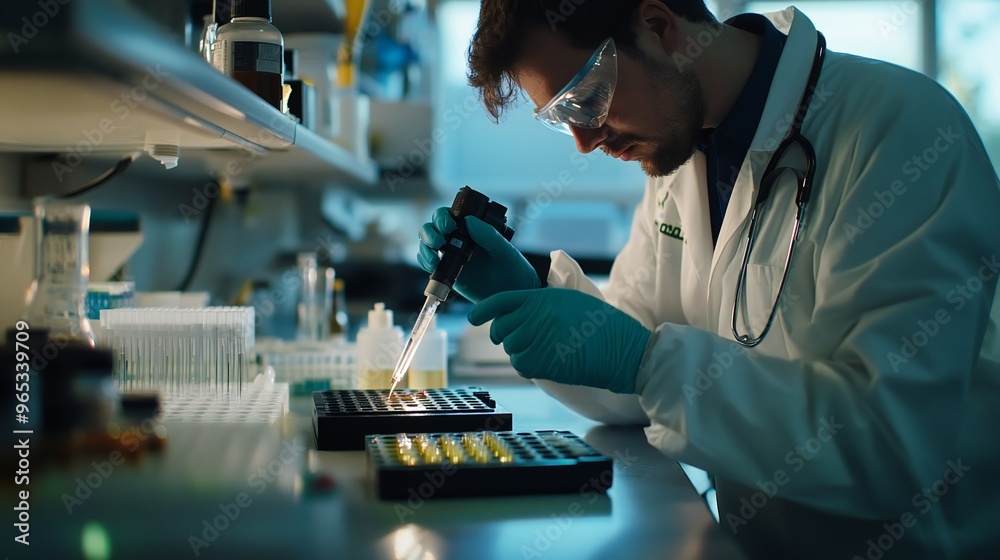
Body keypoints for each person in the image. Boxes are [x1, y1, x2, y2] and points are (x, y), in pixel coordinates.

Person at [417, 1, 1000, 558]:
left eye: (587, 97)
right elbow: (633, 360)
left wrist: (643, 360)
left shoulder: (900, 130)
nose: (586, 140)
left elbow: (889, 448)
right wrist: (525, 294)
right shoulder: (680, 154)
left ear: (658, 26)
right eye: (564, 116)